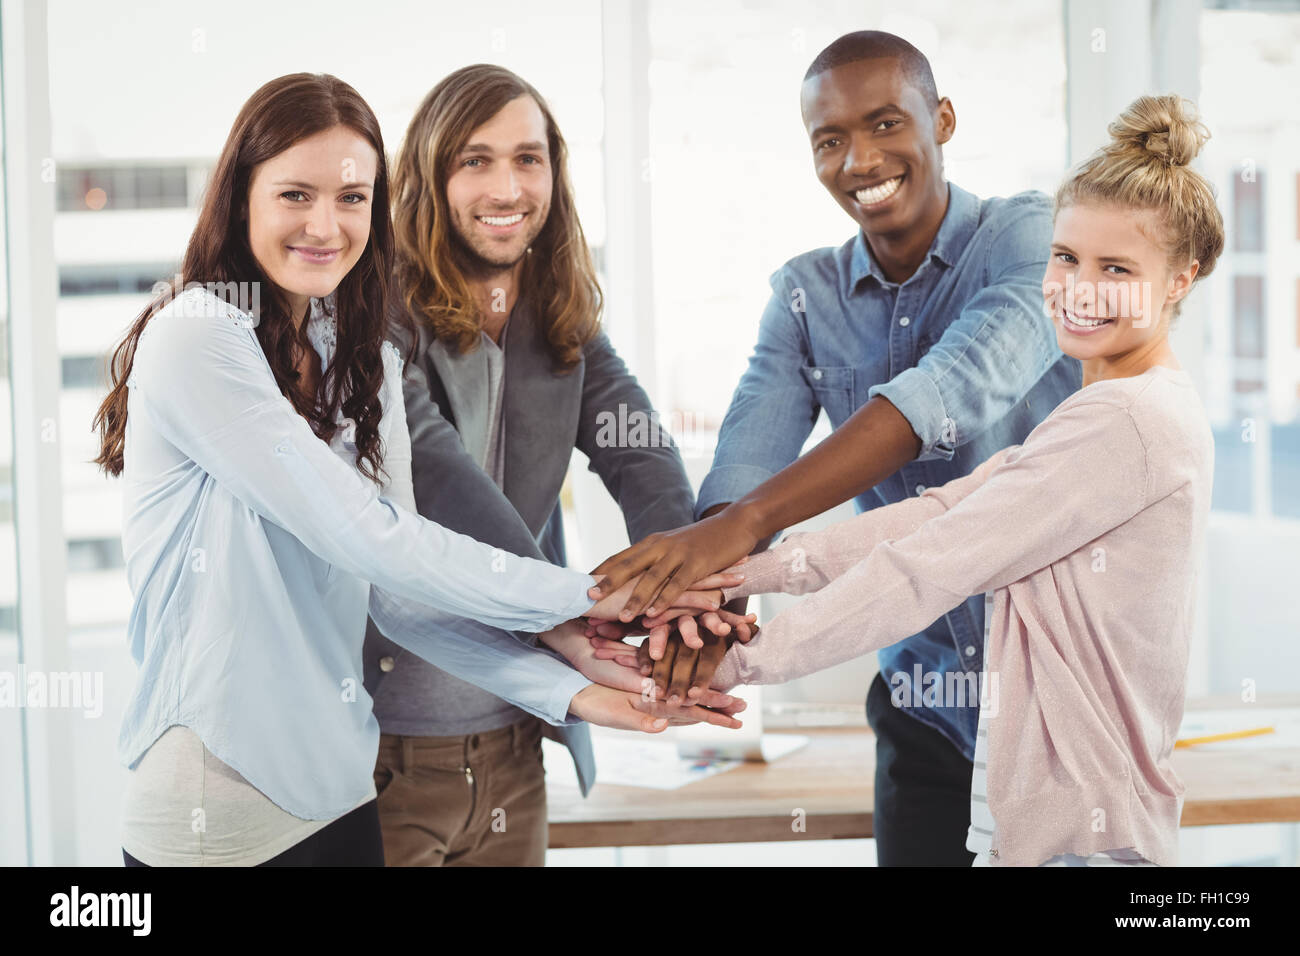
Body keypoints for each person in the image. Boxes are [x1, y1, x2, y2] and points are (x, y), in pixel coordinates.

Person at [92, 73, 740, 867]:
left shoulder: (356, 355)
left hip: (342, 801)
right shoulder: (198, 335)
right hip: (221, 819)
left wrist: (575, 691)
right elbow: (375, 537)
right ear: (240, 198)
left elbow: (398, 597)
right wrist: (596, 599)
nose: (325, 224)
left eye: (351, 198)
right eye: (295, 194)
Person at [601, 93, 1223, 867]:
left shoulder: (1124, 419)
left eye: (1117, 269)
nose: (1081, 286)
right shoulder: (1101, 412)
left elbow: (936, 560)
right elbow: (927, 516)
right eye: (1068, 259)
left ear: (1181, 279)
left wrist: (732, 661)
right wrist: (732, 569)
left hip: (1083, 829)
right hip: (1007, 786)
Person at [360, 64, 753, 867]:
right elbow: (434, 473)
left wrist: (688, 592)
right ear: (432, 175)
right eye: (475, 160)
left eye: (527, 158)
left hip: (515, 744)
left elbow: (640, 451)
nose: (506, 185)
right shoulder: (378, 308)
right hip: (380, 750)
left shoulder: (561, 312)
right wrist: (569, 614)